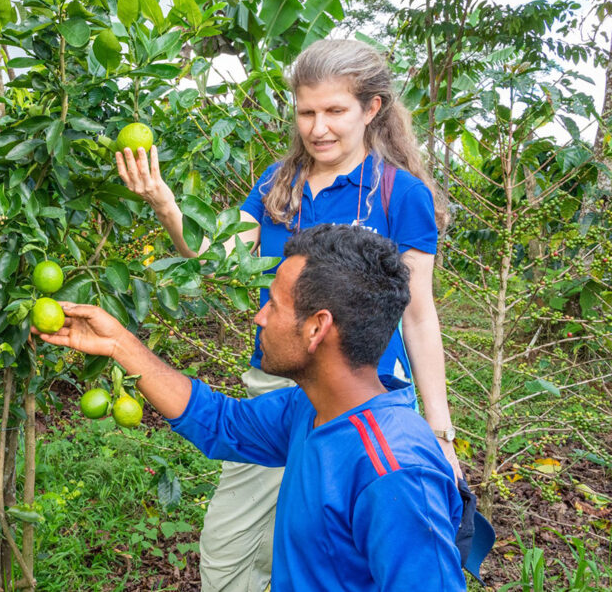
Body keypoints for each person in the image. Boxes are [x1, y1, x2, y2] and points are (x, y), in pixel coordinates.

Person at [115, 38, 461, 591]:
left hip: (360, 392)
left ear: (371, 109)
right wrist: (166, 205)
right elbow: (224, 258)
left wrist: (439, 431)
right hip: (279, 382)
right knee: (228, 547)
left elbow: (418, 316)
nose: (318, 127)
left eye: (334, 111)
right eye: (306, 112)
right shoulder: (280, 183)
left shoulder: (400, 194)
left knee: (331, 548)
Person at [35, 224, 466, 591]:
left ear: (317, 328)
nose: (259, 317)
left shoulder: (395, 471)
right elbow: (223, 423)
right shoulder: (313, 408)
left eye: (273, 304)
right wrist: (118, 344)